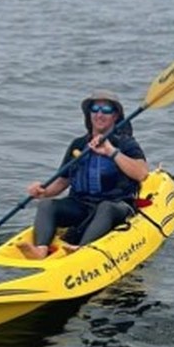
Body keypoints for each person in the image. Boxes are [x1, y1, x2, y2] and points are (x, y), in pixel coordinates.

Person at [17, 90, 149, 259]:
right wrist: (43, 191)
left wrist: (111, 152)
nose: (99, 114)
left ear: (115, 116)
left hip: (116, 206)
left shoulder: (125, 144)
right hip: (81, 206)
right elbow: (62, 181)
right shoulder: (78, 144)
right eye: (95, 109)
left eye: (106, 110)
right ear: (89, 114)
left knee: (106, 208)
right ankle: (40, 250)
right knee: (46, 205)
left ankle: (81, 250)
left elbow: (141, 174)